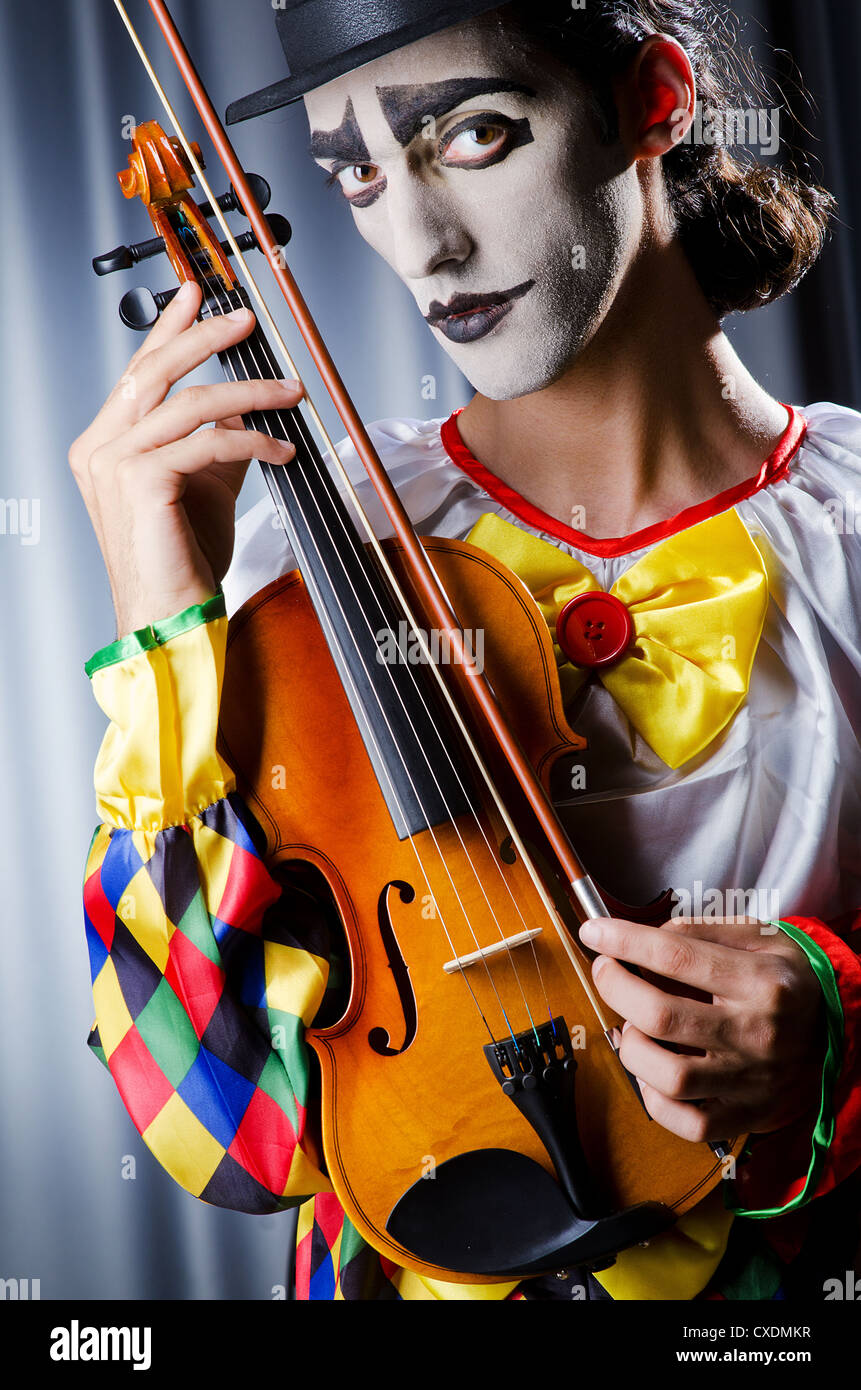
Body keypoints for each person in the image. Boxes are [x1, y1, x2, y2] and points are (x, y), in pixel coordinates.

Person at [69, 0, 861, 1301]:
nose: (419, 242)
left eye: (474, 135)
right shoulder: (314, 549)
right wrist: (164, 630)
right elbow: (225, 1132)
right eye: (359, 174)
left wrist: (830, 1030)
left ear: (655, 101)